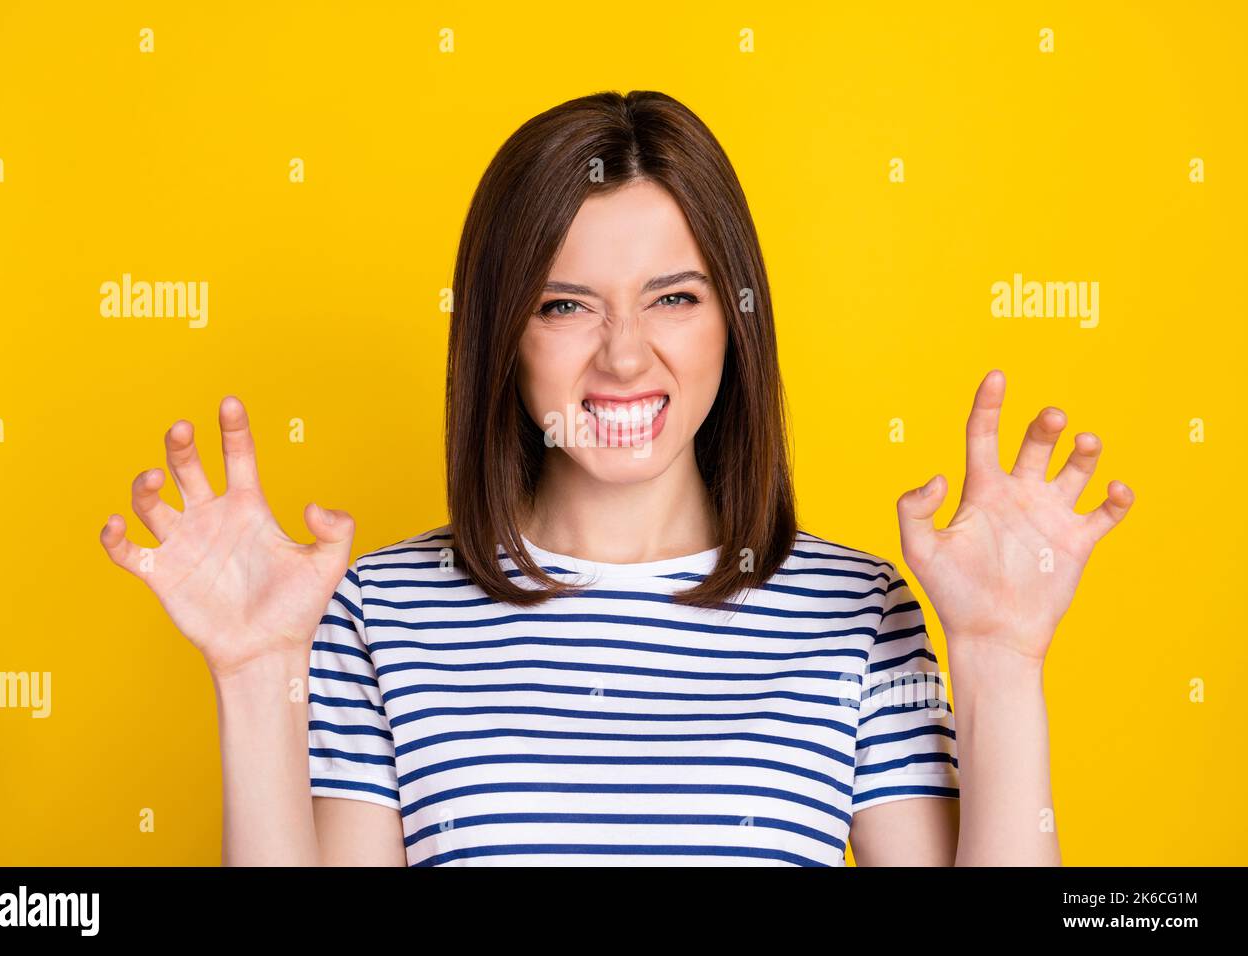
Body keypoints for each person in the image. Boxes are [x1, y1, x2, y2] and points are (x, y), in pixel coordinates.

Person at [99, 90, 1134, 866]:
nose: (626, 357)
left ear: (734, 319)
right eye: (564, 305)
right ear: (502, 338)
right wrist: (251, 677)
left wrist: (998, 659)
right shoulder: (373, 610)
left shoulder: (857, 611)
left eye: (673, 297)